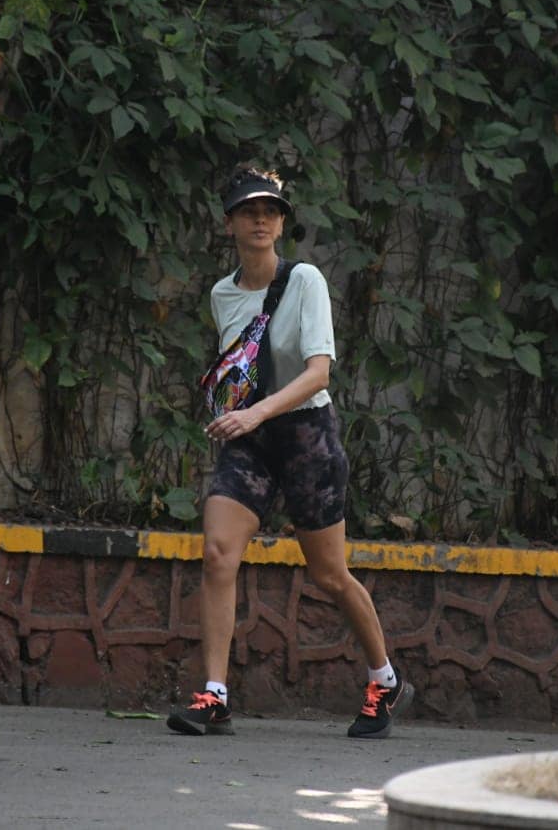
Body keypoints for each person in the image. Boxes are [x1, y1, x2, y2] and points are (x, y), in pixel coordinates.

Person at [167, 166, 414, 739]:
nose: (261, 219)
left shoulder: (305, 280)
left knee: (329, 574)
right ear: (228, 222)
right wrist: (234, 408)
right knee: (217, 552)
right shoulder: (222, 293)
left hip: (307, 435)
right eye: (249, 210)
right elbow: (242, 365)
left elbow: (318, 372)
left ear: (281, 223)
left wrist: (255, 411)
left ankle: (384, 677)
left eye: (271, 211)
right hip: (250, 440)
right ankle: (215, 695)